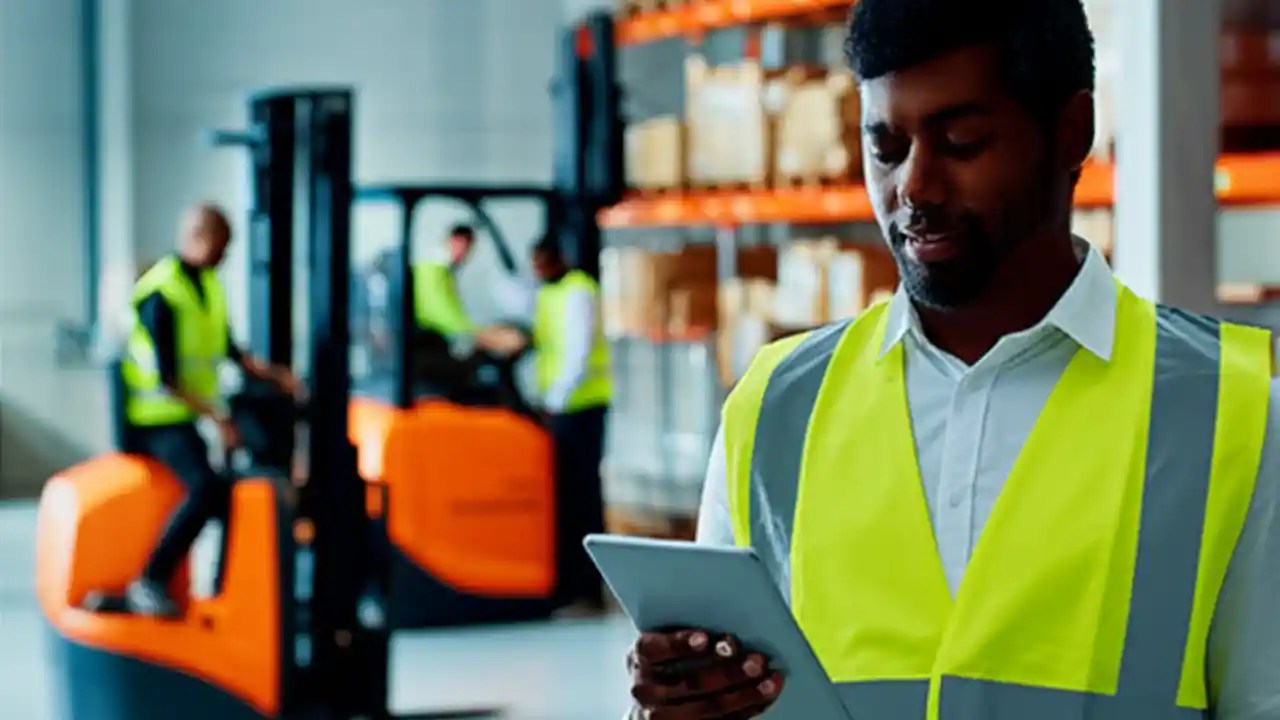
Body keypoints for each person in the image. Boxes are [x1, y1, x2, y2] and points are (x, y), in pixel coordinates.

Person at [626, 1, 1280, 718]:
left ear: (1072, 130)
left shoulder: (1232, 415)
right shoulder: (776, 408)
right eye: (886, 148)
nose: (914, 186)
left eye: (962, 141)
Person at [119, 204, 298, 618]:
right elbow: (167, 379)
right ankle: (149, 581)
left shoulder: (207, 286)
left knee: (235, 493)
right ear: (200, 238)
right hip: (154, 421)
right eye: (223, 244)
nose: (227, 254)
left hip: (183, 417)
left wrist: (277, 376)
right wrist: (219, 419)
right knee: (206, 488)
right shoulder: (160, 291)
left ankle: (226, 589)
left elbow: (231, 351)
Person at [528, 235, 612, 611]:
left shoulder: (579, 291)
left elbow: (577, 353)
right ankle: (566, 582)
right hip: (560, 407)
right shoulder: (547, 293)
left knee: (580, 497)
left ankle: (585, 587)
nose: (537, 271)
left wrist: (554, 401)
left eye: (542, 263)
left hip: (580, 407)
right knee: (561, 496)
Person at [413, 224, 476, 339]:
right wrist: (473, 333)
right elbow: (437, 312)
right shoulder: (432, 267)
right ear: (448, 240)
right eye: (458, 244)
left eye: (466, 247)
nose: (461, 252)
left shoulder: (448, 272)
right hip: (431, 335)